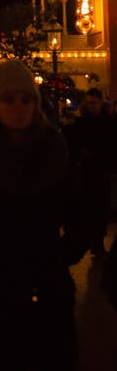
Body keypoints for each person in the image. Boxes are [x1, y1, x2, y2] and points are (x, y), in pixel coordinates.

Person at [0, 59, 86, 371]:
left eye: (26, 99)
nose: (19, 107)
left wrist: (64, 252)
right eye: (9, 99)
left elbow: (79, 206)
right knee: (3, 367)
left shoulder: (54, 148)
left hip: (46, 281)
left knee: (54, 366)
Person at [63, 86, 117, 256]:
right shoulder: (85, 122)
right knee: (93, 208)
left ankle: (96, 242)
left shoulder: (107, 122)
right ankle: (95, 242)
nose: (91, 106)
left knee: (100, 207)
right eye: (89, 103)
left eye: (94, 103)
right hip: (89, 172)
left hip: (101, 170)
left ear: (100, 102)